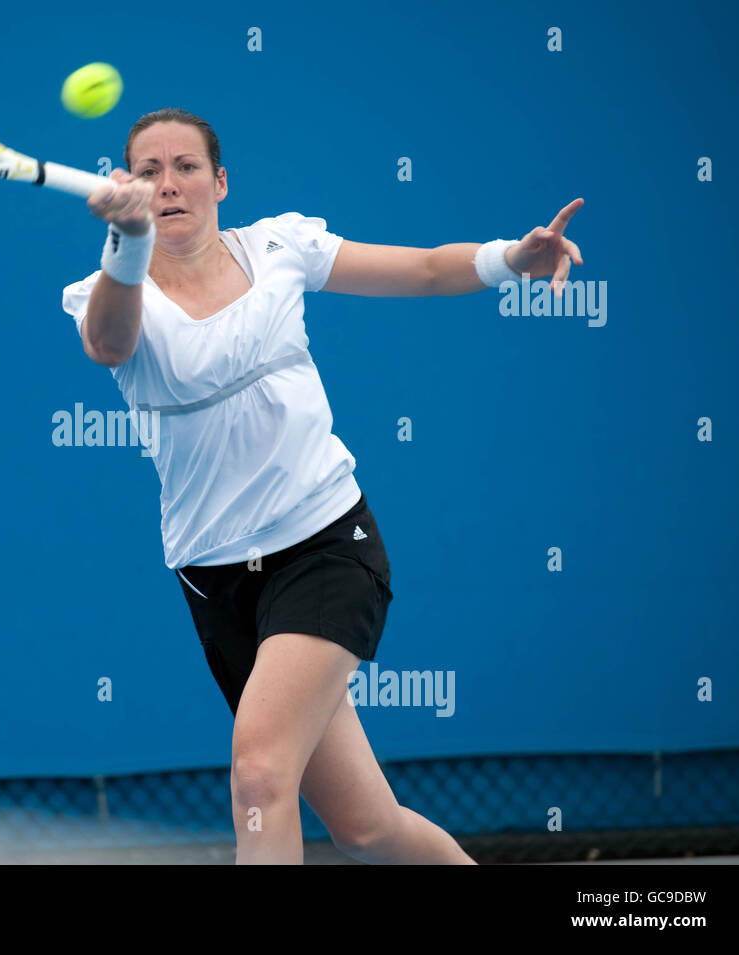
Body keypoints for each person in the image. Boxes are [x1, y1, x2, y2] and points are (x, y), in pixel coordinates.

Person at [61, 107, 583, 865]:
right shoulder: (109, 288)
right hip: (214, 577)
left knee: (259, 776)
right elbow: (110, 345)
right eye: (149, 171)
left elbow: (425, 269)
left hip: (324, 545)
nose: (168, 184)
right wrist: (126, 242)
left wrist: (510, 258)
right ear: (129, 186)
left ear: (219, 182)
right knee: (368, 827)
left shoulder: (281, 245)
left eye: (186, 167)